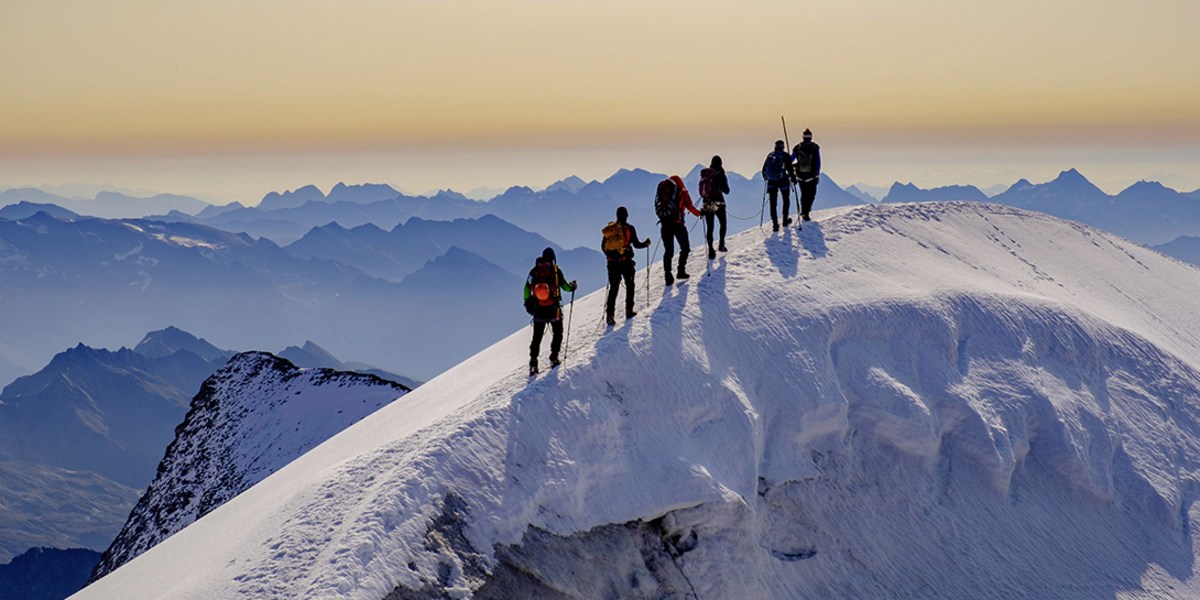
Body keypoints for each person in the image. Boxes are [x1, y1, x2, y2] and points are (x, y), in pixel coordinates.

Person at [523, 247, 577, 375]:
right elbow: (565, 286)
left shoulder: (534, 271)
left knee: (537, 337)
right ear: (553, 258)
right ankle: (554, 358)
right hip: (553, 309)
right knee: (558, 333)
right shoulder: (556, 271)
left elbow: (526, 289)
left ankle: (533, 363)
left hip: (538, 310)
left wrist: (528, 302)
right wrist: (573, 287)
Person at [600, 206, 652, 325]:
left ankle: (610, 315)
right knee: (630, 285)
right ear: (627, 216)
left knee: (614, 289)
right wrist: (646, 244)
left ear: (617, 216)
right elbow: (637, 244)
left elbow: (603, 247)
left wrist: (612, 257)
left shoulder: (611, 230)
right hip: (626, 262)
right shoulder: (630, 228)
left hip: (612, 264)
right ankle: (629, 310)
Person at [656, 175, 702, 285]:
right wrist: (700, 213)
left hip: (664, 224)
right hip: (677, 225)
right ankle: (681, 271)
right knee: (685, 247)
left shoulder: (662, 193)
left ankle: (668, 275)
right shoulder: (682, 192)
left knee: (668, 251)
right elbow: (690, 207)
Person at [698, 155, 731, 259]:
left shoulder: (706, 174)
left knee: (710, 228)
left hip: (707, 202)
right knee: (723, 224)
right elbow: (727, 191)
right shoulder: (720, 174)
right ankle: (721, 245)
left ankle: (711, 250)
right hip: (718, 202)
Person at [762, 140, 795, 231]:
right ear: (783, 146)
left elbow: (764, 170)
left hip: (771, 182)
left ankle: (775, 224)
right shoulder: (785, 156)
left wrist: (767, 178)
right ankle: (785, 220)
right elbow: (790, 169)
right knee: (786, 200)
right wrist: (793, 178)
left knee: (773, 203)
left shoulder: (770, 155)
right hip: (783, 181)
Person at [792, 128, 822, 221]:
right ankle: (806, 212)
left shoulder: (797, 147)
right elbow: (818, 161)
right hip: (811, 176)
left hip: (800, 176)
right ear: (811, 137)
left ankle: (803, 211)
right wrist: (817, 173)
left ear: (803, 137)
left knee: (803, 194)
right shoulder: (815, 147)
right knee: (811, 194)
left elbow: (791, 158)